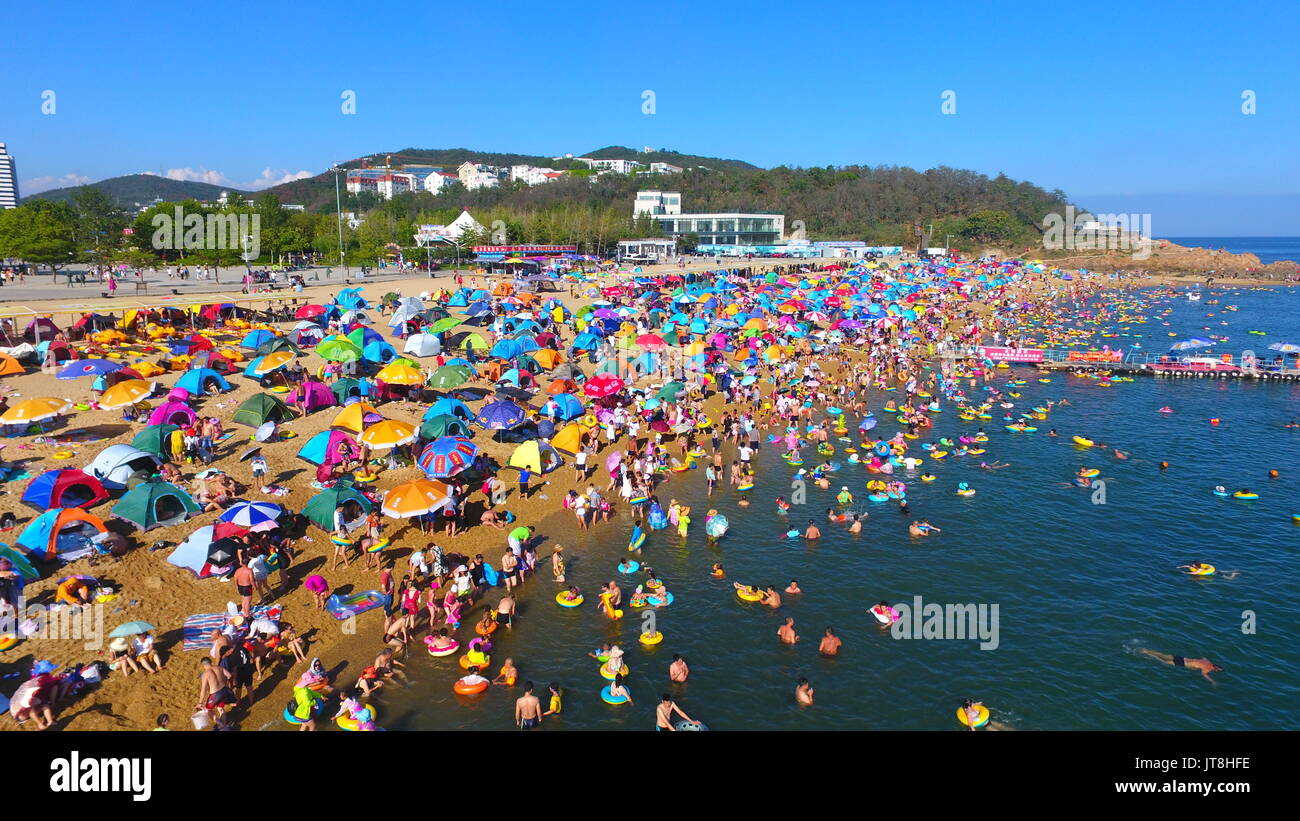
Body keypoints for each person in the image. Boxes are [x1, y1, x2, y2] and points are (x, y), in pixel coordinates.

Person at [1138, 649, 1224, 682]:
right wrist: (1212, 681)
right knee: (1162, 661)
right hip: (1183, 663)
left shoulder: (1207, 661)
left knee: (1163, 655)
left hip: (1182, 658)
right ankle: (1150, 655)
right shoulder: (1208, 669)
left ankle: (1146, 650)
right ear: (1215, 669)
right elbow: (1204, 674)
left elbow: (1203, 657)